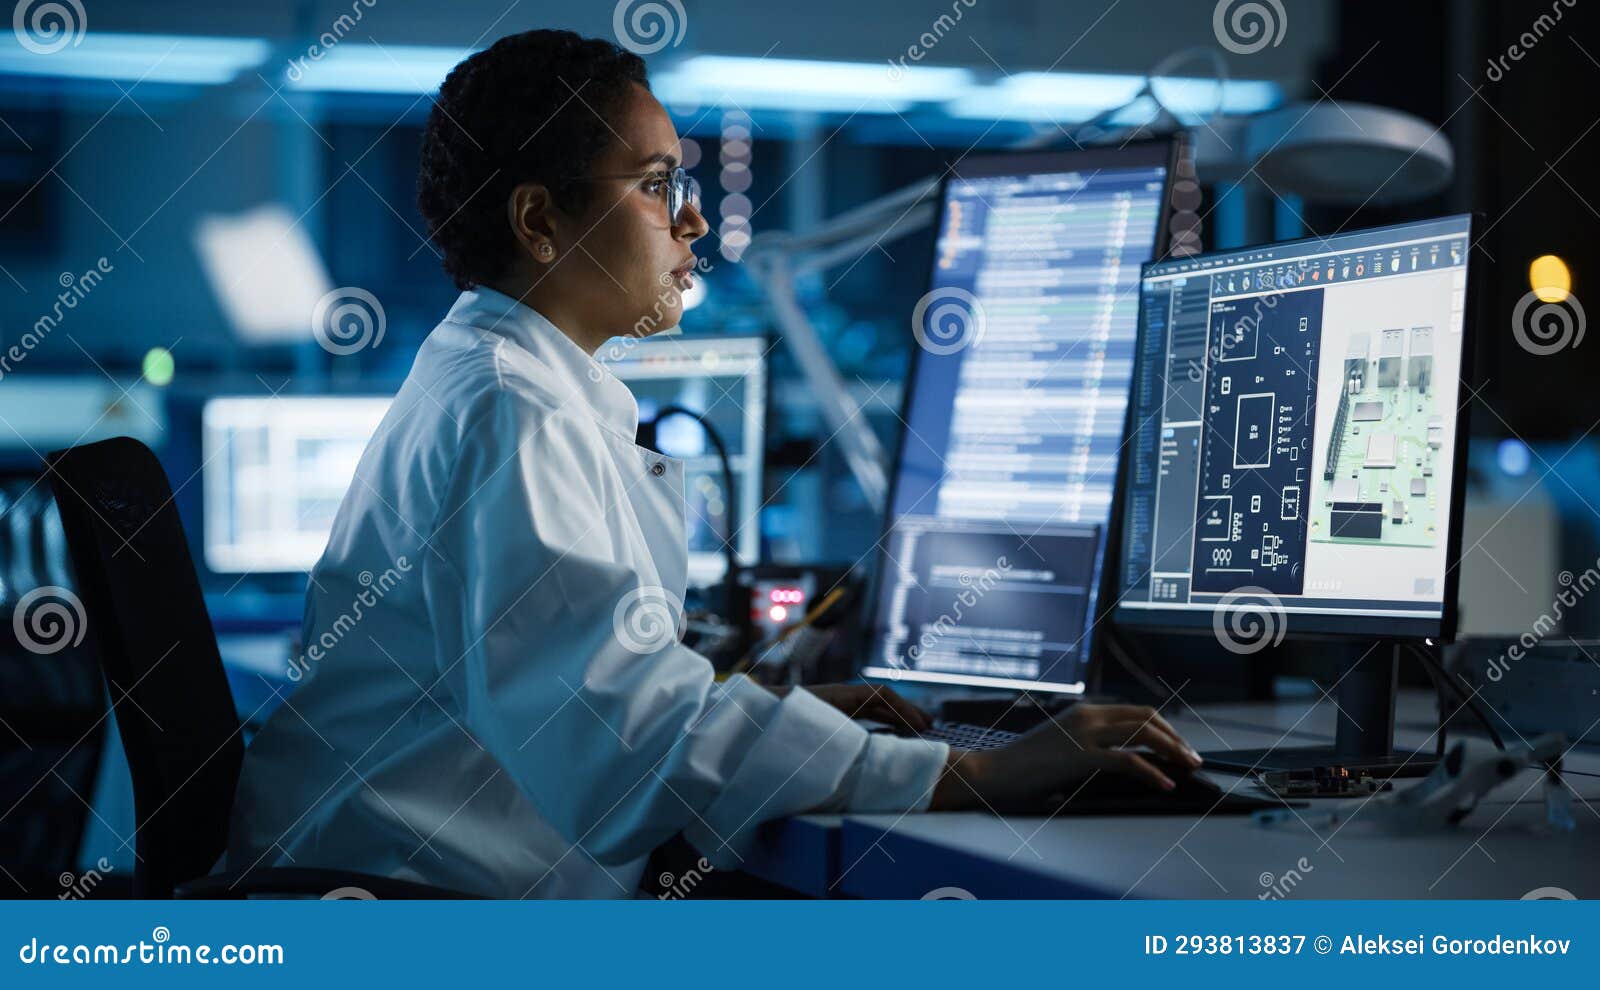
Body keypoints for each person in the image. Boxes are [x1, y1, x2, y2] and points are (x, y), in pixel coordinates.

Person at [225, 29, 1201, 898]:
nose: (691, 223)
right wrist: (971, 774)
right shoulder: (511, 406)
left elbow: (602, 693)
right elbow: (616, 740)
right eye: (653, 186)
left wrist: (794, 720)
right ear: (538, 221)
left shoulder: (506, 377)